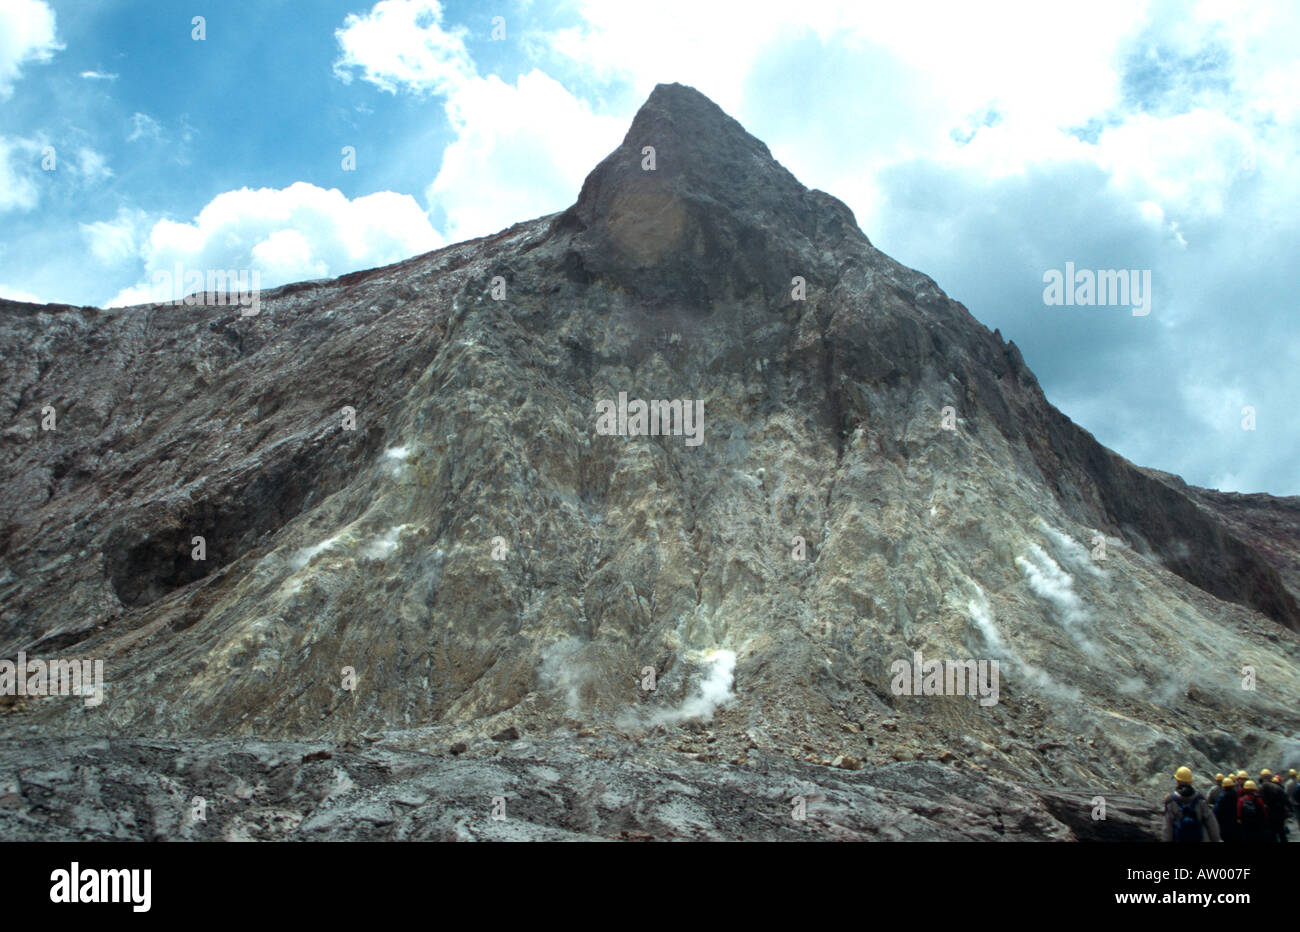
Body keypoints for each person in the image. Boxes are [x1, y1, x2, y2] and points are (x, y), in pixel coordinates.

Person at [1163, 767, 1221, 842]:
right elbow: (1211, 823)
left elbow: (1167, 828)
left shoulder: (1170, 801)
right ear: (1190, 781)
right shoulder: (1200, 799)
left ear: (1177, 781)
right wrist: (1216, 839)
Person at [1260, 774, 1289, 842]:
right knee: (1281, 832)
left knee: (1273, 833)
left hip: (1270, 814)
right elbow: (1285, 800)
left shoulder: (1262, 787)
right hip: (1279, 813)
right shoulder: (1278, 788)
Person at [1214, 776, 1239, 843]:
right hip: (1234, 823)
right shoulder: (1236, 795)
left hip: (1224, 824)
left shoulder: (1222, 796)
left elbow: (1216, 810)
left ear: (1224, 786)